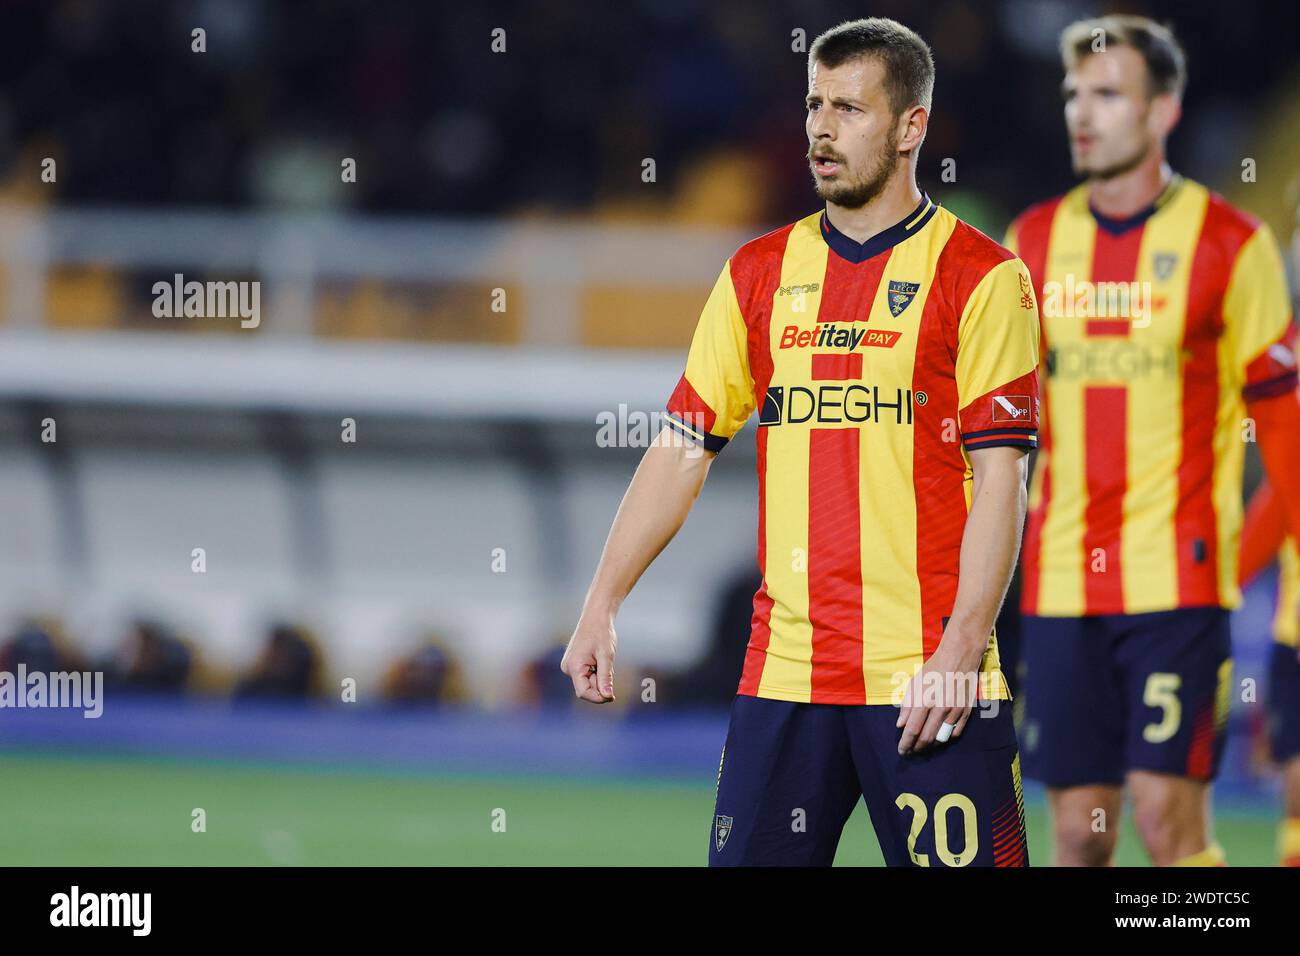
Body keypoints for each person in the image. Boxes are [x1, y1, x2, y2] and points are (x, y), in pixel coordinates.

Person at [564, 17, 1039, 866]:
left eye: (850, 109)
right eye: (815, 103)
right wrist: (603, 600)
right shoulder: (758, 273)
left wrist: (963, 648)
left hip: (926, 675)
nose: (822, 127)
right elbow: (681, 448)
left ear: (910, 128)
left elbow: (1003, 482)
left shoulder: (982, 277)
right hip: (785, 675)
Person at [1006, 15, 1300, 866]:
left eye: (1107, 94)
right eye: (1073, 94)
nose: (1081, 113)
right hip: (1061, 586)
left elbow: (1281, 426)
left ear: (1164, 110)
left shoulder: (1230, 245)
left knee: (1167, 825)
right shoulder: (1030, 245)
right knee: (1076, 832)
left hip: (1179, 584)